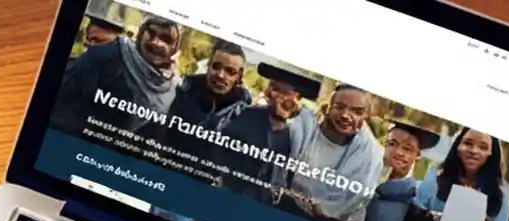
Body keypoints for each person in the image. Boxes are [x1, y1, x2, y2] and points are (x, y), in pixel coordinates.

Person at [49, 15, 183, 138]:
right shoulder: (105, 56)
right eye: (151, 33)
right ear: (141, 34)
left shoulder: (173, 90)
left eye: (165, 39)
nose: (155, 42)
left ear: (175, 48)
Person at [277, 85, 384, 221]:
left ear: (365, 117)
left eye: (357, 111)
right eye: (340, 107)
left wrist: (326, 213)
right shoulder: (302, 129)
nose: (346, 115)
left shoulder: (371, 155)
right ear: (328, 108)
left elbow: (354, 202)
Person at [214, 63, 320, 203]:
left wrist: (282, 121)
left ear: (296, 97)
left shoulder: (304, 132)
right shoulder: (247, 114)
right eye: (272, 87)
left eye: (281, 91)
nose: (272, 93)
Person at [359, 123, 440, 221]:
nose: (398, 152)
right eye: (392, 144)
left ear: (417, 155)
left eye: (407, 149)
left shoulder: (415, 203)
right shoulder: (360, 180)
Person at [162, 40, 250, 158]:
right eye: (216, 66)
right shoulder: (184, 92)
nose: (220, 75)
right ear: (208, 66)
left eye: (230, 71)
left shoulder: (243, 114)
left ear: (239, 77)